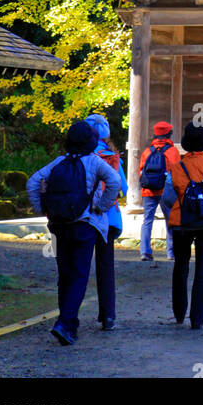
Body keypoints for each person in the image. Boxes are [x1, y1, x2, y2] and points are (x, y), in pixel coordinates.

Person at [27, 119, 120, 345]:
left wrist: (44, 211)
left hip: (59, 225)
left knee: (65, 275)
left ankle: (69, 323)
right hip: (84, 224)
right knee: (79, 275)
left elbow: (32, 182)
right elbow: (115, 181)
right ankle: (65, 323)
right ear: (91, 142)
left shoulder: (58, 163)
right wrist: (101, 207)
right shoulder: (95, 163)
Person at [161, 122, 203, 330]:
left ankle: (179, 312)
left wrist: (182, 204)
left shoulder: (177, 168)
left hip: (182, 222)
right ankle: (197, 318)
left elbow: (168, 197)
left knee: (180, 266)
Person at [85, 113, 127, 330]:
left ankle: (69, 316)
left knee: (78, 266)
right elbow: (124, 188)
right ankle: (108, 316)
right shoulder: (112, 157)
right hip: (108, 218)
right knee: (106, 266)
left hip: (83, 216)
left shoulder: (81, 156)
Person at [139, 121, 180, 262]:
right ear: (169, 134)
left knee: (147, 220)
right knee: (170, 220)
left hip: (148, 191)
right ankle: (171, 252)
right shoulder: (172, 152)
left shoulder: (147, 151)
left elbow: (141, 171)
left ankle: (145, 251)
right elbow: (176, 172)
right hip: (166, 191)